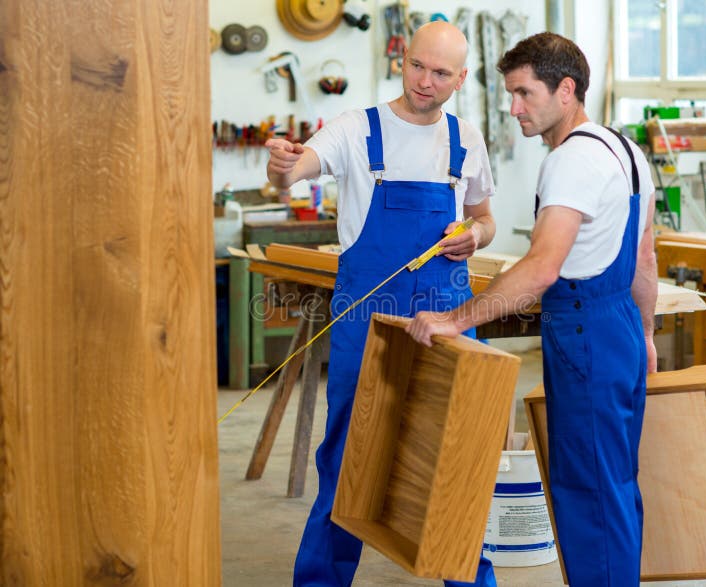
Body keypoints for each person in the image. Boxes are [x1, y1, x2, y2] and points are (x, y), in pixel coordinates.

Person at [407, 32, 658, 587]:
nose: (514, 107)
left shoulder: (570, 162)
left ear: (565, 90)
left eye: (524, 93)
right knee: (614, 483)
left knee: (586, 489)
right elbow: (644, 257)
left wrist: (455, 319)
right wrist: (643, 331)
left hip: (585, 328)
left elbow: (543, 268)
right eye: (510, 94)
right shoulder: (627, 150)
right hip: (617, 327)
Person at [265, 21, 498, 587]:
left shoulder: (466, 139)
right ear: (403, 59)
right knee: (350, 452)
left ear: (461, 78)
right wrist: (281, 168)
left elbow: (485, 218)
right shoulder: (353, 129)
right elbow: (295, 171)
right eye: (417, 65)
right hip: (367, 313)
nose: (425, 81)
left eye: (441, 73)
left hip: (447, 309)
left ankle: (467, 576)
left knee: (457, 450)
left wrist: (476, 236)